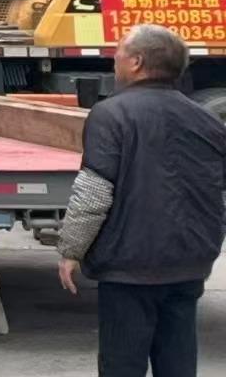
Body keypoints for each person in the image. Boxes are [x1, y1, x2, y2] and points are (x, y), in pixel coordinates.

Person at [57, 23, 226, 377]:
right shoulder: (207, 120)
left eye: (119, 51)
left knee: (122, 365)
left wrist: (71, 250)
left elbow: (93, 193)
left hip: (128, 268)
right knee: (178, 363)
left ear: (136, 62)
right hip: (189, 263)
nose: (114, 58)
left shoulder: (111, 114)